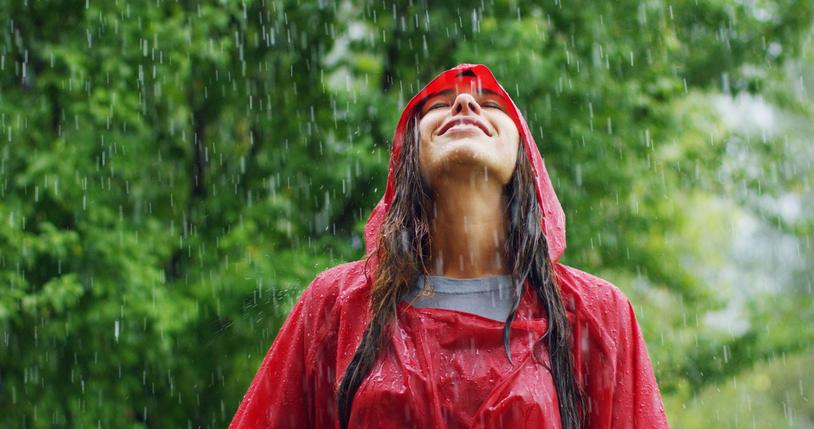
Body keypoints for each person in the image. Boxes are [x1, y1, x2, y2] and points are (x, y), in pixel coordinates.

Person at [228, 64, 669, 428]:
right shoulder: (336, 306)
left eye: (491, 104)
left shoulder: (595, 314)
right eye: (440, 106)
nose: (465, 102)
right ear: (408, 160)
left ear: (525, 157)